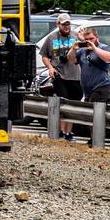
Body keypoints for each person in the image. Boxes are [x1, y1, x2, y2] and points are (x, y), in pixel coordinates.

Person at [39, 12, 81, 140]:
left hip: (75, 75)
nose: (66, 27)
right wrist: (50, 68)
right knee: (63, 102)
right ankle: (61, 132)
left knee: (73, 103)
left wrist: (82, 39)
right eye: (63, 24)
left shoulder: (76, 36)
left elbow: (85, 50)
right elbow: (44, 56)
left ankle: (69, 132)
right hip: (59, 75)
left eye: (68, 24)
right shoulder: (52, 38)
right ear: (58, 24)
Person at [74, 26, 110, 105]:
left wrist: (94, 48)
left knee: (95, 115)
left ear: (97, 37)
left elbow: (109, 58)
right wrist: (73, 48)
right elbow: (71, 60)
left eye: (91, 38)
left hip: (102, 88)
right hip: (88, 91)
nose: (89, 41)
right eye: (86, 39)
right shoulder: (83, 50)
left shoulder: (104, 47)